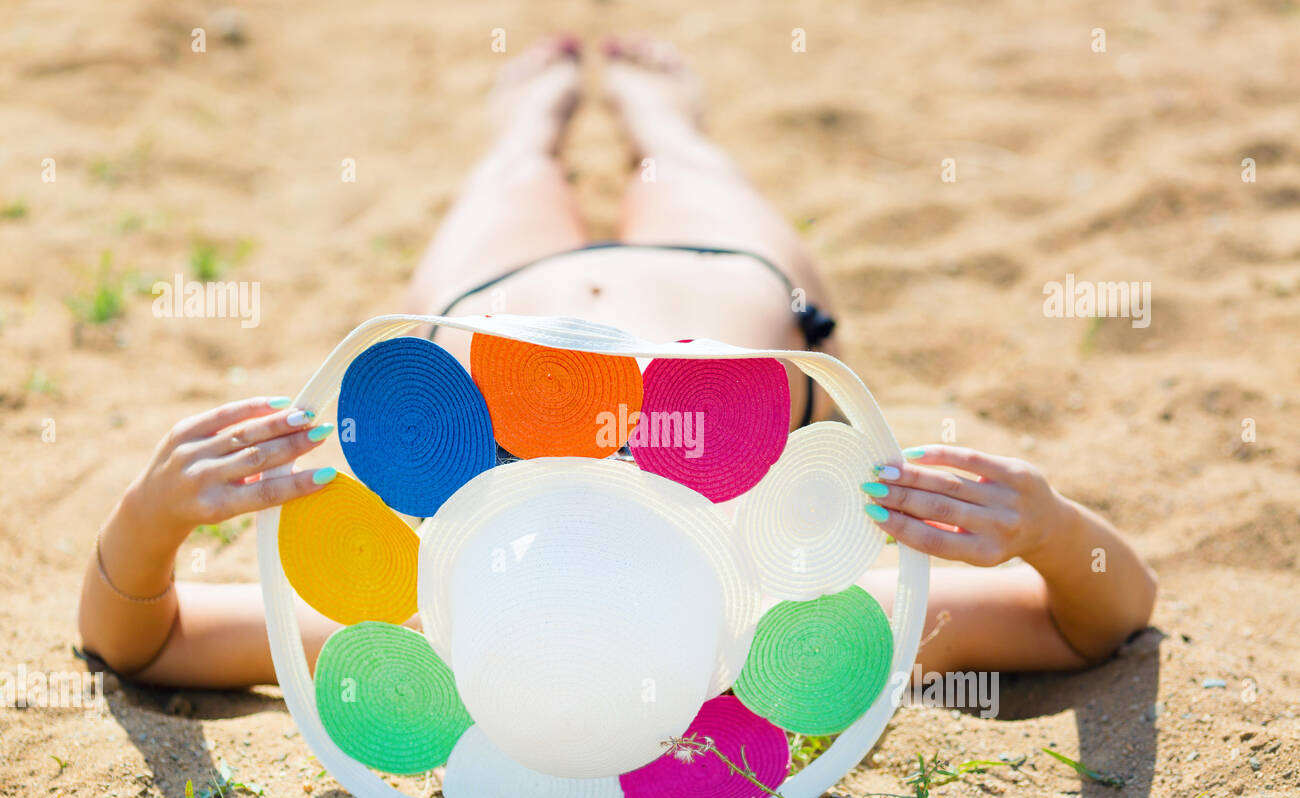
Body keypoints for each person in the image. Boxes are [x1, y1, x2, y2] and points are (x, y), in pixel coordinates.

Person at [77, 35, 1156, 690]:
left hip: (484, 309)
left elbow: (146, 641)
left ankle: (533, 121)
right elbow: (1095, 618)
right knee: (680, 156)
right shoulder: (773, 632)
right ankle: (656, 111)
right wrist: (1053, 529)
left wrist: (151, 517)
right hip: (722, 282)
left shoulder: (431, 623)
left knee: (513, 164)